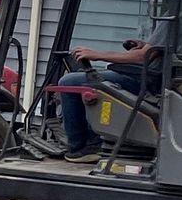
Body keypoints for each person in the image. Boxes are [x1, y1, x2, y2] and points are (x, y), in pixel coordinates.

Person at [54, 14, 170, 155]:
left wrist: (97, 55)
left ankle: (84, 147)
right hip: (152, 76)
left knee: (69, 83)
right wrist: (145, 45)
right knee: (82, 78)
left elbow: (142, 57)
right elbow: (157, 50)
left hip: (148, 81)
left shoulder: (175, 15)